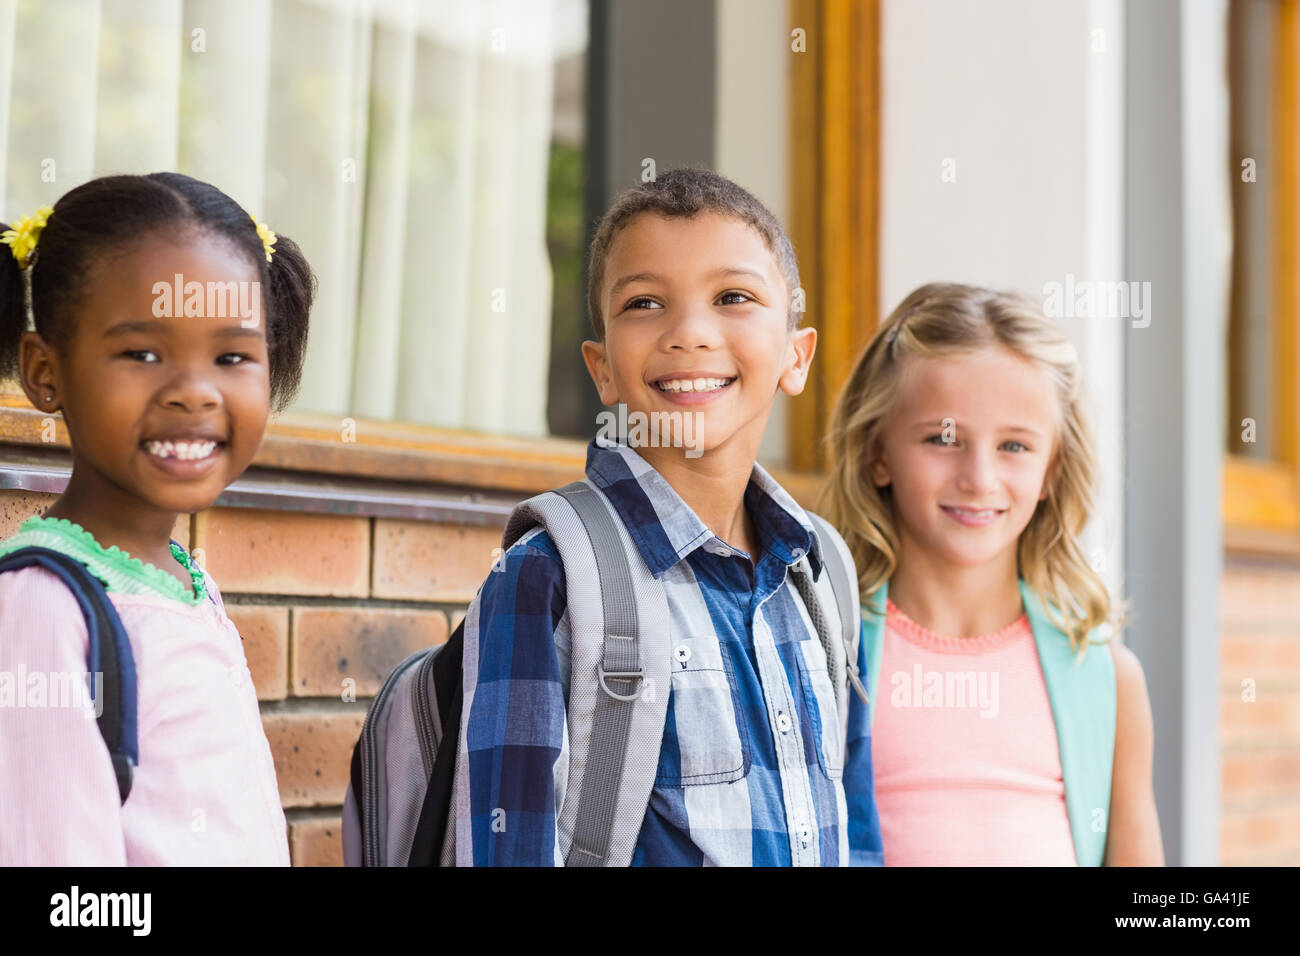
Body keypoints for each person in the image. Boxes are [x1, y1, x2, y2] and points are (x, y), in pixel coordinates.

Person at [452, 168, 884, 865]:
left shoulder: (822, 572)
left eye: (733, 297)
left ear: (795, 356)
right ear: (602, 369)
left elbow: (857, 831)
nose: (689, 333)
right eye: (646, 303)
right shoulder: (550, 577)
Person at [0, 172, 314, 864]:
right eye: (142, 354)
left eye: (232, 356)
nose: (193, 393)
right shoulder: (44, 608)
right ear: (45, 370)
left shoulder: (181, 580)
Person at [819, 281, 1164, 865]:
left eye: (1014, 446)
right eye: (941, 439)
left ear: (1053, 469)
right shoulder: (826, 656)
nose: (979, 477)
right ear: (878, 453)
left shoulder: (1106, 679)